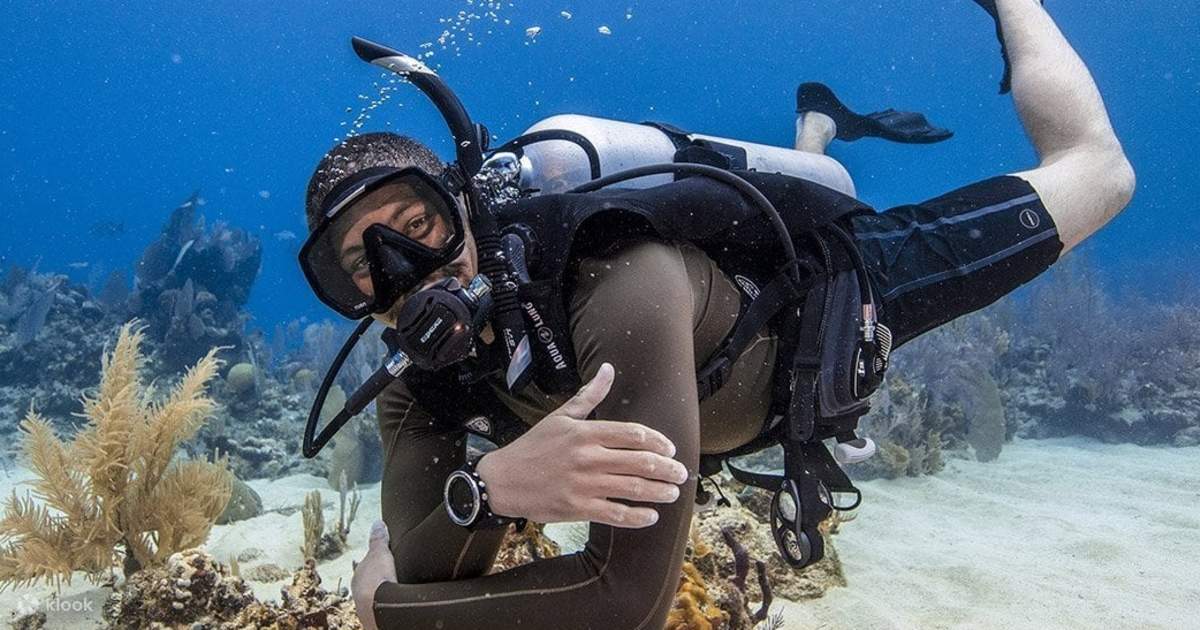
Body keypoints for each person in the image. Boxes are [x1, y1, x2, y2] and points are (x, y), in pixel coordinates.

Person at [301, 1, 1134, 628]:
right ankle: (815, 130)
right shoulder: (418, 386)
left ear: (466, 204)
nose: (406, 274)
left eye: (418, 228)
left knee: (1099, 176)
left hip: (833, 303)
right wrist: (487, 493)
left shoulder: (614, 280)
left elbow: (628, 600)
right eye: (363, 266)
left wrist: (384, 613)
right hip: (721, 383)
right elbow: (431, 566)